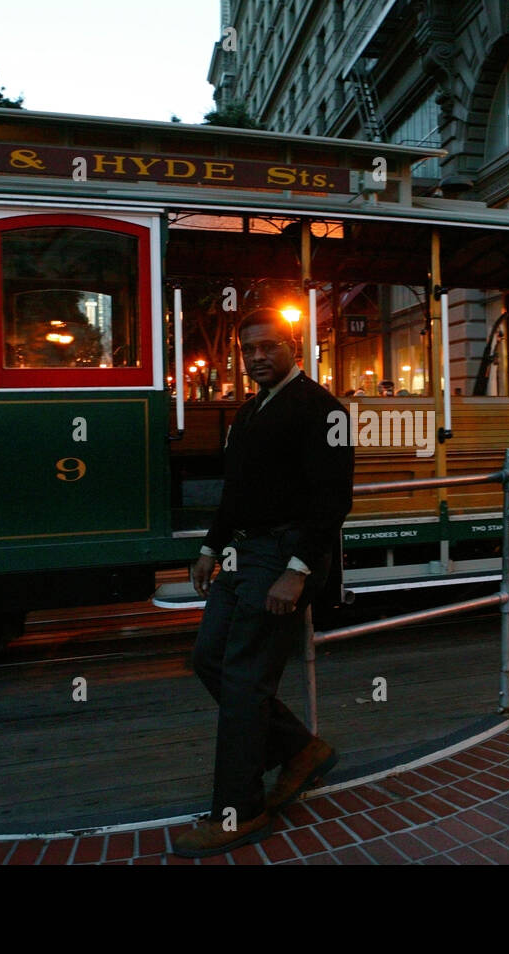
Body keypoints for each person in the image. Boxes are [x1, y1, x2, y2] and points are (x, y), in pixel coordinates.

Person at [169, 307, 354, 859]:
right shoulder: (249, 413)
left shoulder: (324, 410)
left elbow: (332, 501)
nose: (257, 358)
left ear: (293, 344)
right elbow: (236, 492)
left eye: (268, 347)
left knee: (246, 681)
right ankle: (301, 750)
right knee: (209, 660)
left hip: (282, 554)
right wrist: (208, 548)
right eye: (249, 350)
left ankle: (240, 812)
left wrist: (296, 572)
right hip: (241, 553)